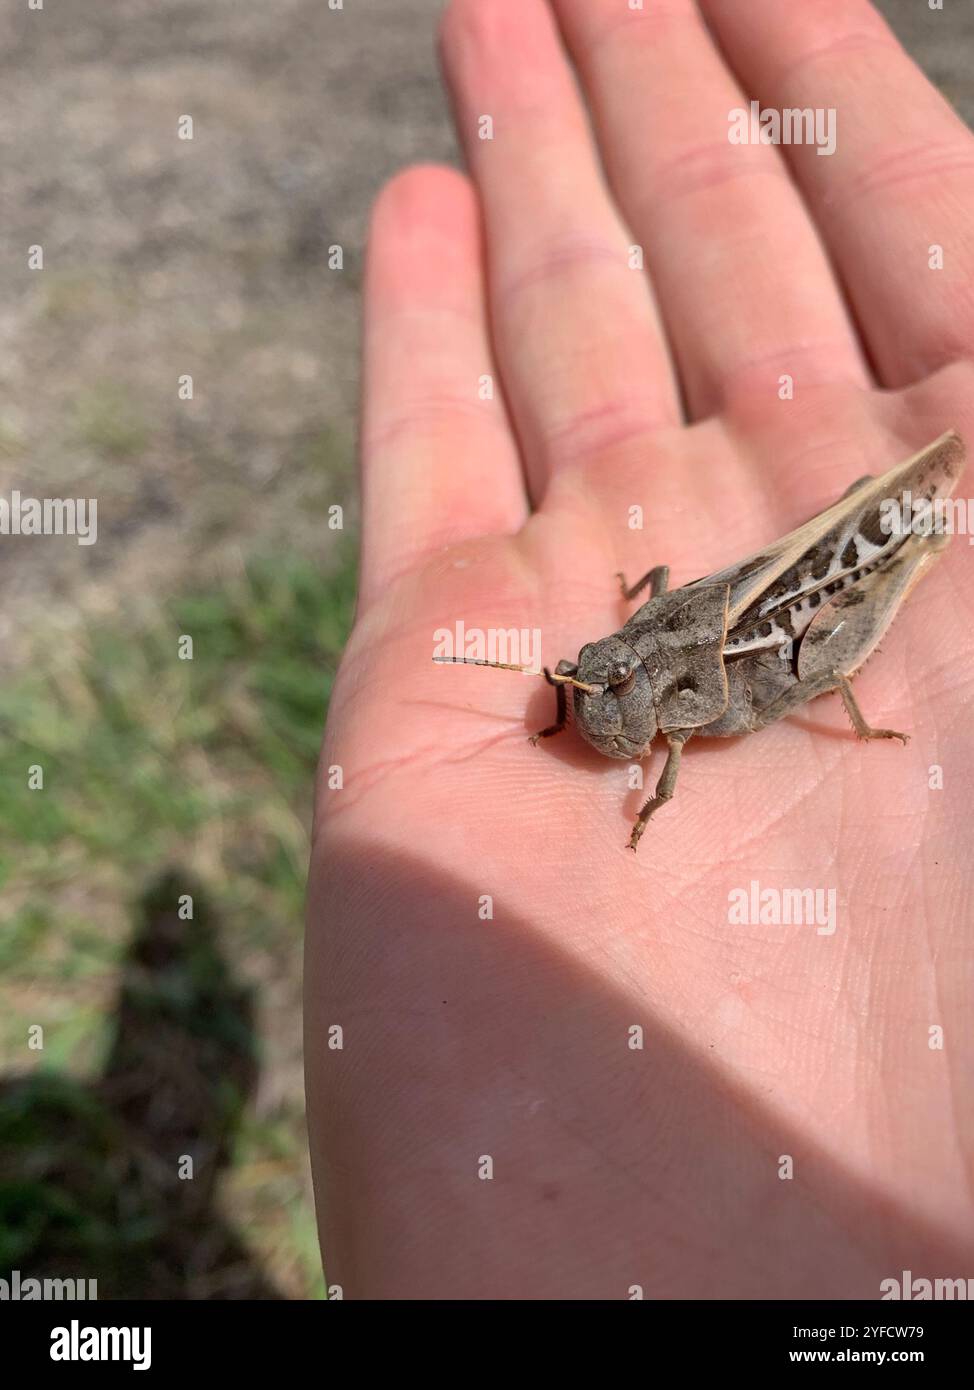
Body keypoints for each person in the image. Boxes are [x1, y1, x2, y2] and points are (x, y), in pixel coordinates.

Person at [305, 0, 974, 1299]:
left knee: (837, 645)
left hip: (773, 619)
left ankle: (918, 521)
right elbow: (646, 631)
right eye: (590, 694)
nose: (599, 712)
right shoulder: (626, 672)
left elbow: (683, 682)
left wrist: (665, 776)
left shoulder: (678, 711)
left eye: (600, 693)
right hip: (714, 620)